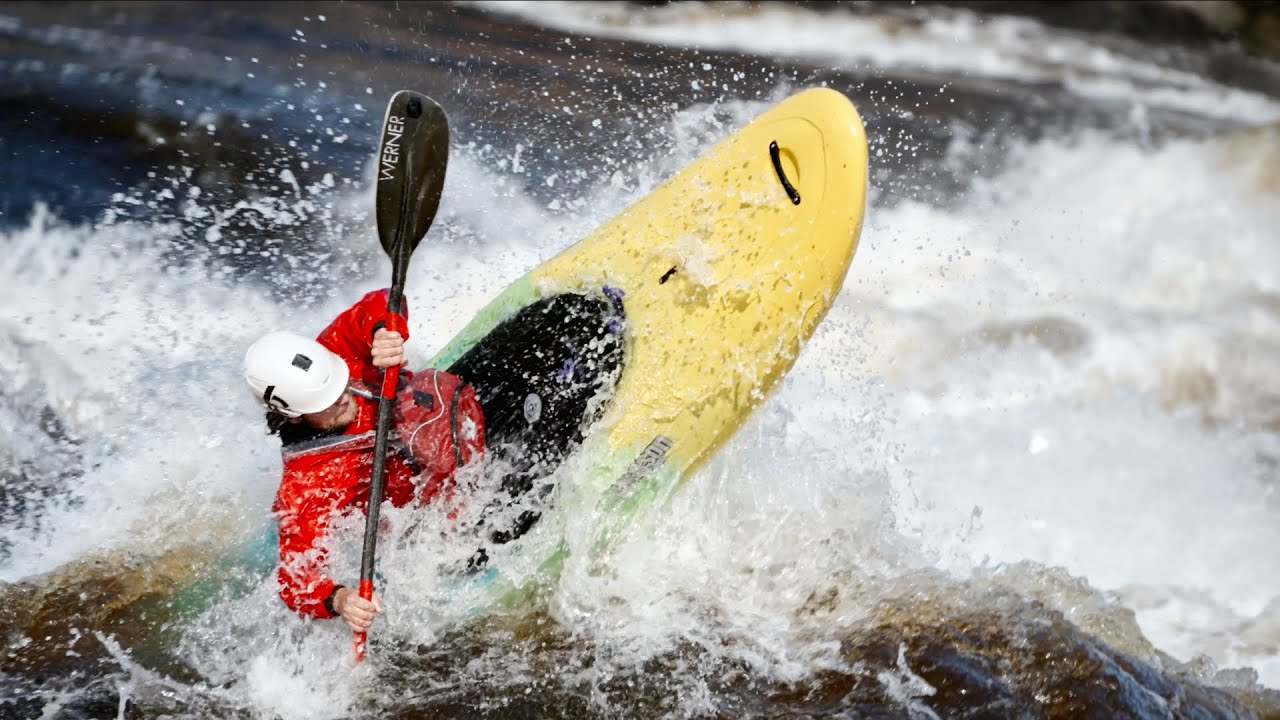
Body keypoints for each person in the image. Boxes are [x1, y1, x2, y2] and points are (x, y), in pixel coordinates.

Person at [243, 288, 485, 635]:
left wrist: (384, 332)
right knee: (436, 449)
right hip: (439, 507)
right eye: (327, 400)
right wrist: (339, 600)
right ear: (294, 416)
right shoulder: (306, 486)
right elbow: (295, 581)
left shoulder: (332, 352)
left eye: (339, 382)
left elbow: (380, 302)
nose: (343, 397)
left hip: (446, 418)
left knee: (426, 410)